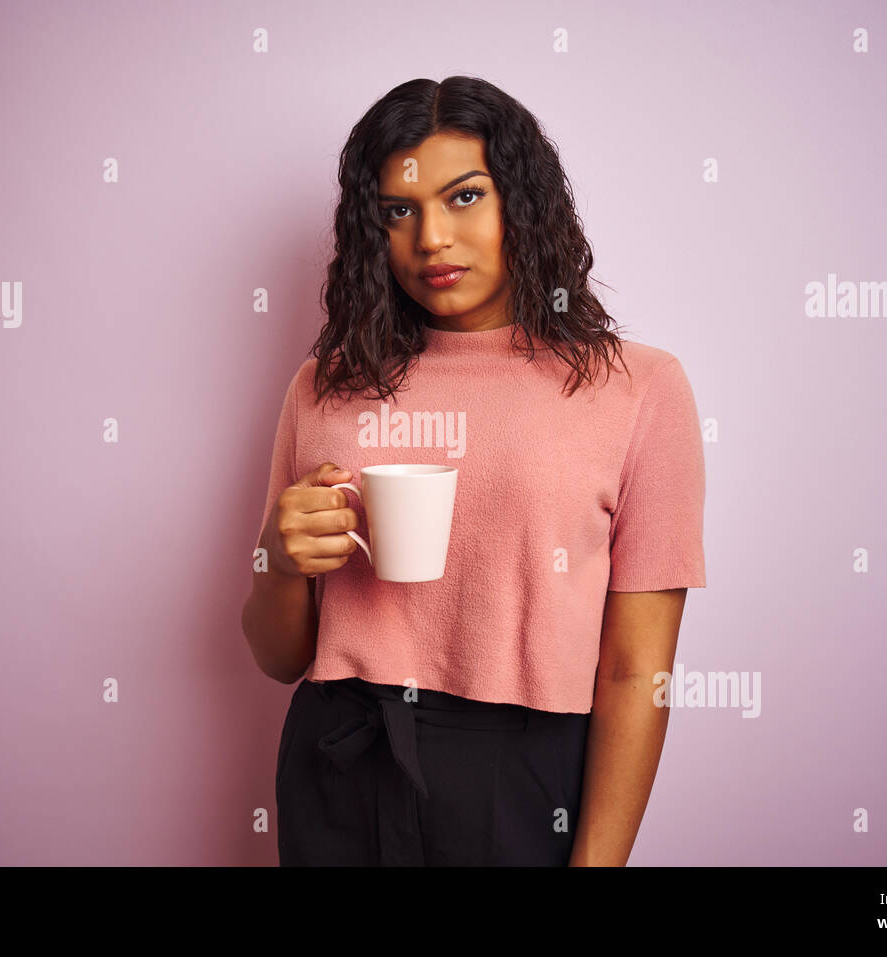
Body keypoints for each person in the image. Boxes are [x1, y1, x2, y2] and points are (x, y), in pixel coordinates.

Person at [241, 76, 706, 866]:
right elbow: (279, 656)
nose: (431, 239)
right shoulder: (324, 384)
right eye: (399, 210)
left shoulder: (640, 389)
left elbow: (636, 672)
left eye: (464, 197)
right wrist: (279, 563)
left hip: (524, 774)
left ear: (522, 202)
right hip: (339, 760)